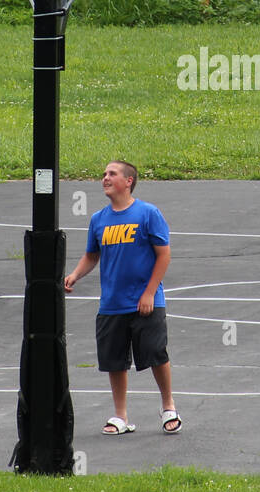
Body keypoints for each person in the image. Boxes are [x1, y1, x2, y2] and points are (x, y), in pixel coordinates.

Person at [64, 160, 181, 435]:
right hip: (112, 304)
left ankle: (168, 406)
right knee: (114, 360)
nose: (105, 178)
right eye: (104, 174)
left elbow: (163, 254)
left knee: (155, 353)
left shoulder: (147, 213)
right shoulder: (98, 219)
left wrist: (150, 292)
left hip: (145, 301)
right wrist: (75, 275)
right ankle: (120, 416)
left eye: (112, 174)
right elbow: (92, 255)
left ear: (128, 181)